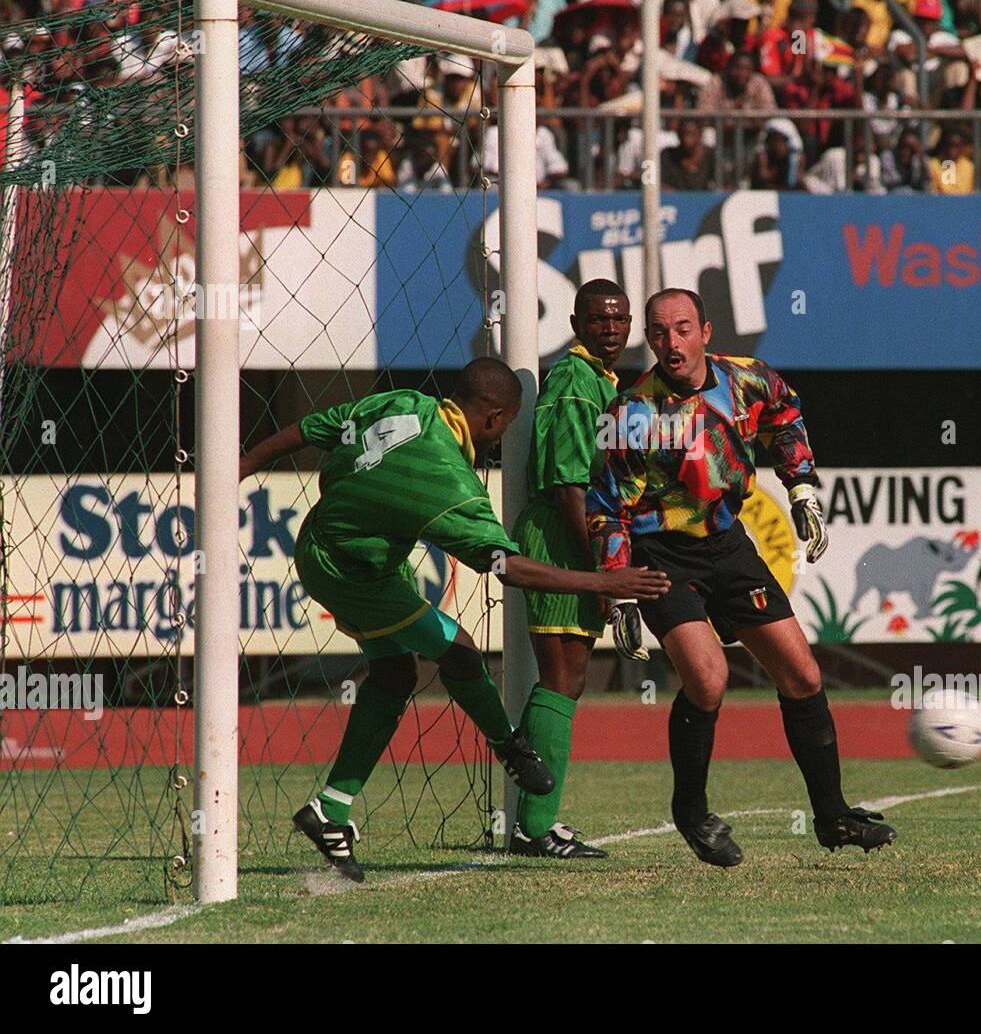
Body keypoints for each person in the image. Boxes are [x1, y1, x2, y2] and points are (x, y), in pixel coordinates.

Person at [237, 357, 669, 881]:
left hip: (328, 546)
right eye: (504, 428)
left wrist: (236, 470)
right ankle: (509, 745)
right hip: (350, 572)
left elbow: (304, 430)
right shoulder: (451, 482)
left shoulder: (401, 403)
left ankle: (331, 809)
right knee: (460, 650)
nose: (499, 439)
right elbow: (507, 568)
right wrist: (605, 582)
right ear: (493, 419)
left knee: (396, 675)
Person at [586, 288, 897, 868]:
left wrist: (800, 484)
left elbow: (786, 415)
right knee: (708, 678)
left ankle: (832, 817)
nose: (671, 343)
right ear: (648, 340)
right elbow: (607, 506)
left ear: (705, 331)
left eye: (682, 329)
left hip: (728, 547)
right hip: (661, 554)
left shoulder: (751, 379)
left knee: (802, 674)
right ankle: (691, 811)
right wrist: (620, 587)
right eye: (658, 333)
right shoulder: (629, 412)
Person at [508, 281, 632, 858]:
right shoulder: (574, 381)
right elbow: (568, 487)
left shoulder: (602, 381)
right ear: (577, 322)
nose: (611, 328)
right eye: (599, 319)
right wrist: (602, 572)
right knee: (561, 676)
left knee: (570, 676)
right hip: (563, 537)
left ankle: (534, 822)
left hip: (575, 537)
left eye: (618, 318)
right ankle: (533, 827)